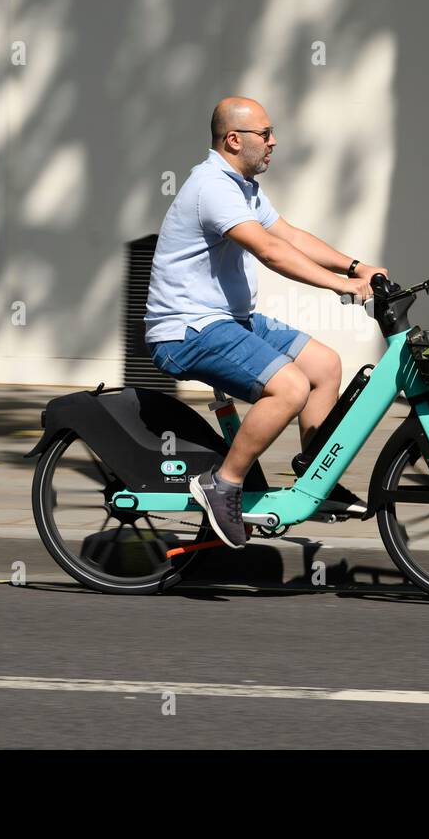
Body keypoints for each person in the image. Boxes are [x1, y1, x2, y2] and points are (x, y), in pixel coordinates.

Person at [145, 97, 388, 549]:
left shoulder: (243, 186)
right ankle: (223, 483)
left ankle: (318, 474)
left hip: (230, 321)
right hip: (189, 329)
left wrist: (355, 266)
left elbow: (289, 236)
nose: (273, 141)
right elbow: (271, 252)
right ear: (234, 140)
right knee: (291, 387)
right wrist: (341, 285)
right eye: (265, 133)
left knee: (325, 366)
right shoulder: (213, 187)